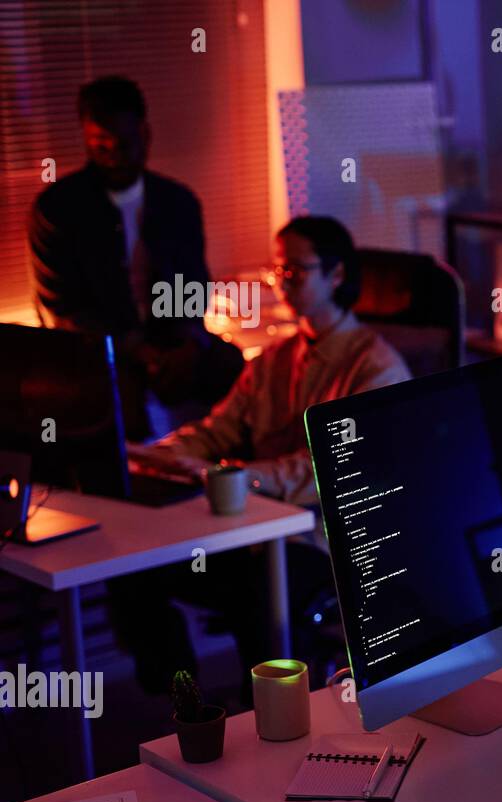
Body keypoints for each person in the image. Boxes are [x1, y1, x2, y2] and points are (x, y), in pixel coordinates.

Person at [109, 216, 411, 697]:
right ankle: (183, 703)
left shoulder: (377, 367)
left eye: (295, 271)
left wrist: (240, 476)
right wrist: (160, 456)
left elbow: (332, 468)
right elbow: (218, 430)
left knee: (256, 595)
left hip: (321, 541)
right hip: (251, 527)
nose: (283, 282)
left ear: (336, 275)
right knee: (132, 567)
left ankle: (279, 715)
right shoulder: (275, 359)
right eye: (277, 270)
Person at [28, 75, 242, 439]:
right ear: (87, 140)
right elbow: (63, 308)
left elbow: (191, 284)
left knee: (232, 367)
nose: (114, 157)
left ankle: (233, 477)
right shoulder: (58, 210)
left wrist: (189, 341)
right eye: (101, 147)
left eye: (124, 144)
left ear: (145, 134)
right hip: (98, 349)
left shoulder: (178, 202)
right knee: (117, 397)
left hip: (168, 339)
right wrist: (137, 351)